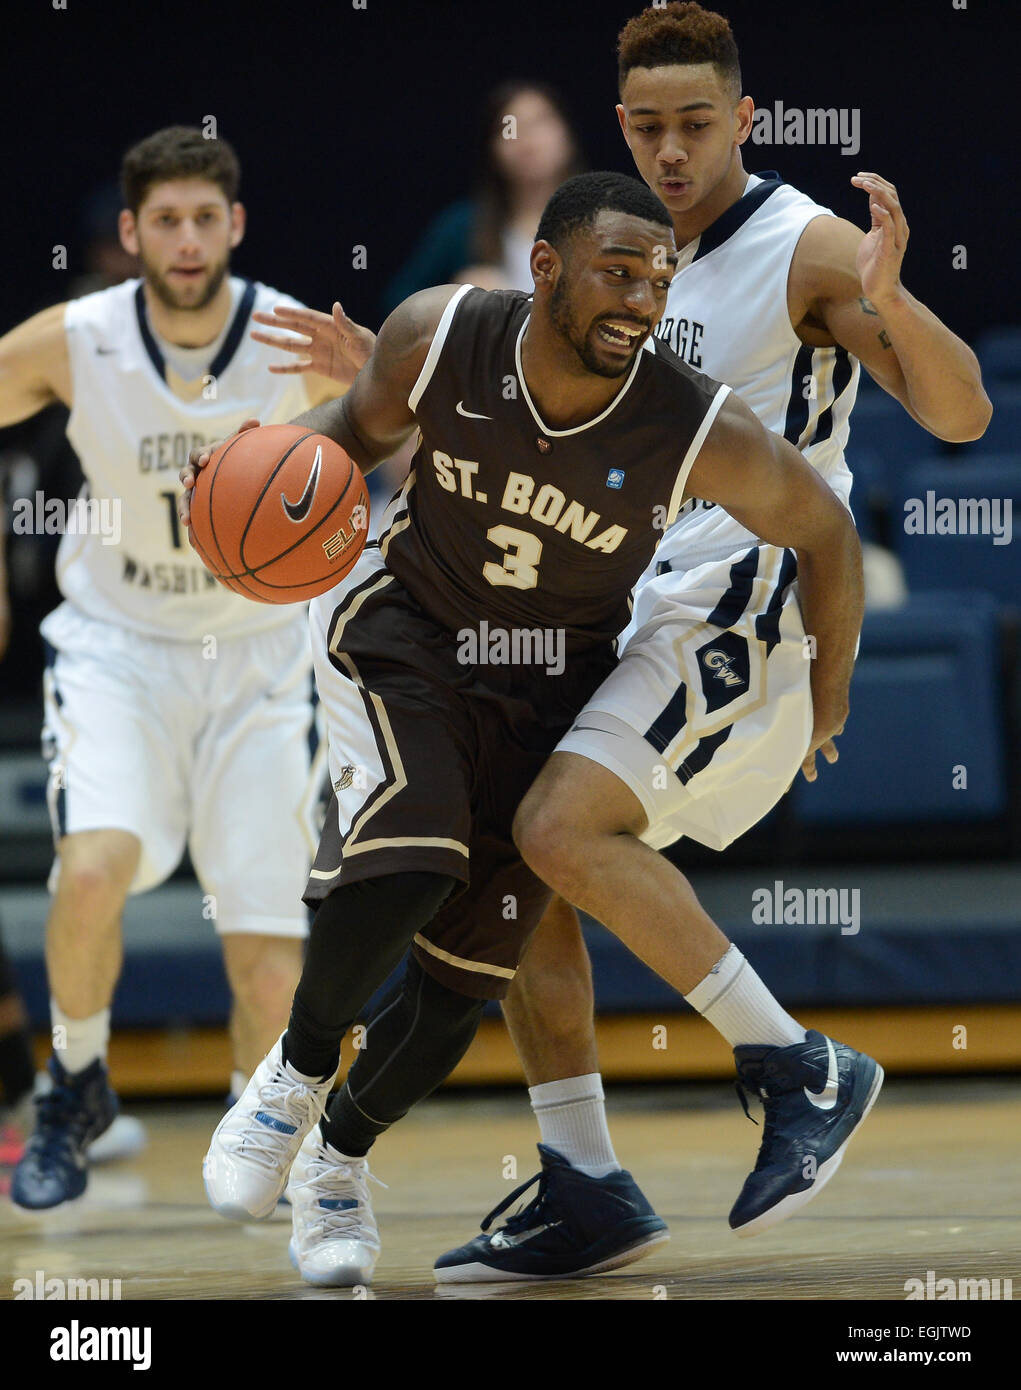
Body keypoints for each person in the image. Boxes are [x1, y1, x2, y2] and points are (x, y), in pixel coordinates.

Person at [248, 2, 990, 1284]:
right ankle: (584, 1178)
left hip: (742, 596)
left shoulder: (801, 243)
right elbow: (535, 418)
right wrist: (395, 374)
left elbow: (963, 411)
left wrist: (890, 301)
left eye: (697, 124)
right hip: (630, 593)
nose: (670, 149)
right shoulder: (625, 256)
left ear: (745, 121)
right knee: (517, 852)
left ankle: (800, 1063)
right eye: (647, 125)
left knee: (553, 830)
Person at [183, 169, 864, 1288]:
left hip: (550, 686)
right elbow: (345, 434)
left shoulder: (692, 421)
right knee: (420, 839)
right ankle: (294, 1076)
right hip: (409, 635)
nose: (642, 297)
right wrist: (246, 479)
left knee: (459, 981)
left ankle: (338, 1164)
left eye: (658, 277)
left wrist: (830, 686)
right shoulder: (441, 330)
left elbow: (826, 530)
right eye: (617, 270)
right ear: (545, 266)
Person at [0, 125, 341, 1210]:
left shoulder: (291, 336)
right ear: (130, 232)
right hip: (117, 649)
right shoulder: (79, 334)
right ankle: (75, 1077)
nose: (187, 239)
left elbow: (421, 404)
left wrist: (372, 368)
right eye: (166, 220)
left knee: (268, 958)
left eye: (206, 218)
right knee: (92, 868)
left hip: (255, 658)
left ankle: (264, 1121)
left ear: (233, 226)